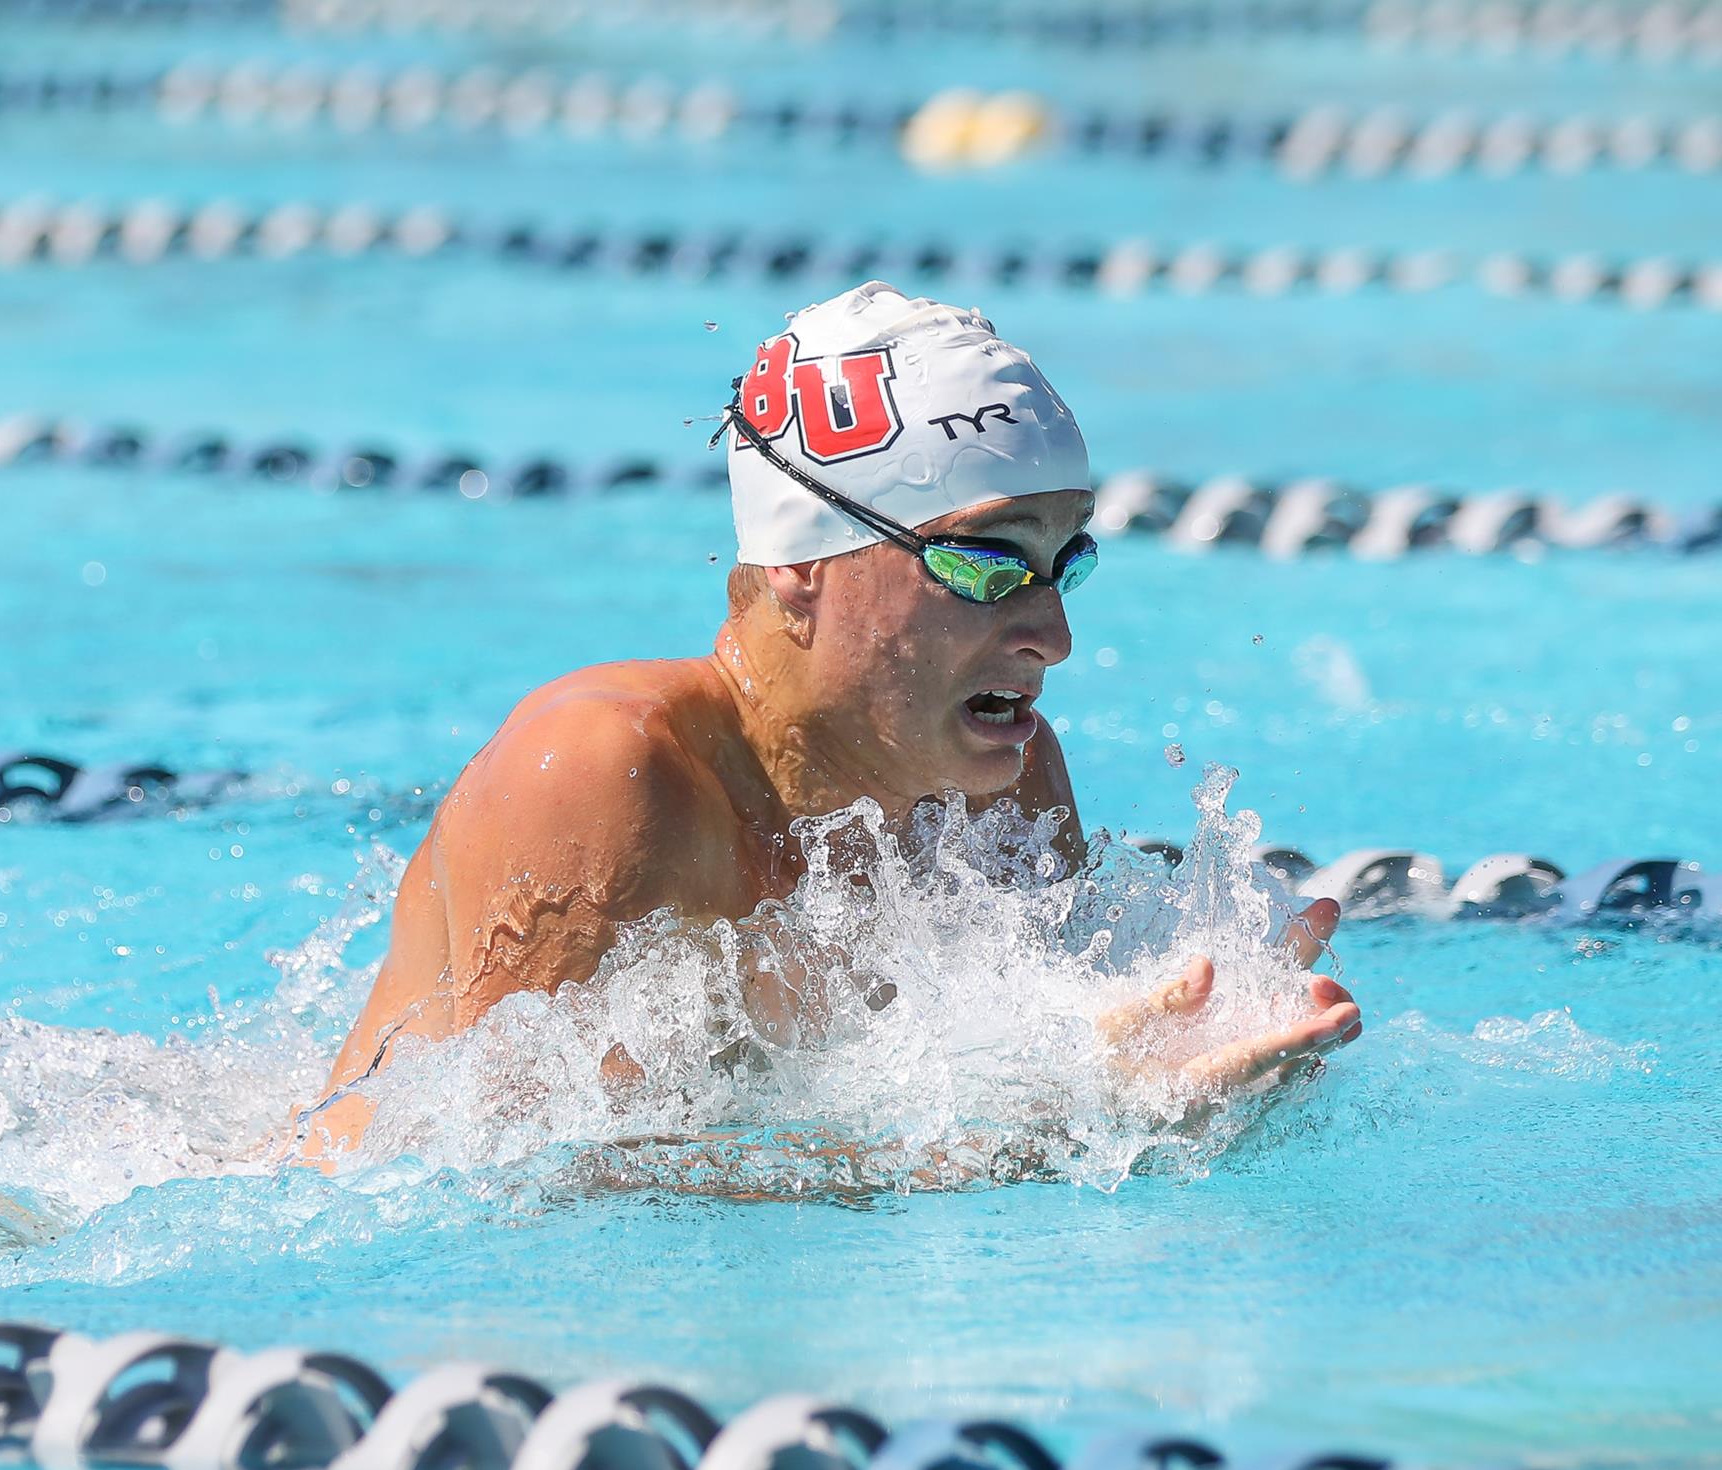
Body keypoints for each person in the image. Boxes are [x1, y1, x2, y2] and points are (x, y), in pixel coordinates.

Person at [298, 283, 1360, 1160]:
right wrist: (1018, 1139)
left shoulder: (1004, 782)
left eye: (1062, 564)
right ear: (801, 567)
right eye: (985, 564)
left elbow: (1084, 1067)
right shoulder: (602, 776)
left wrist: (1191, 1061)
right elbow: (497, 1182)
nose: (1051, 633)